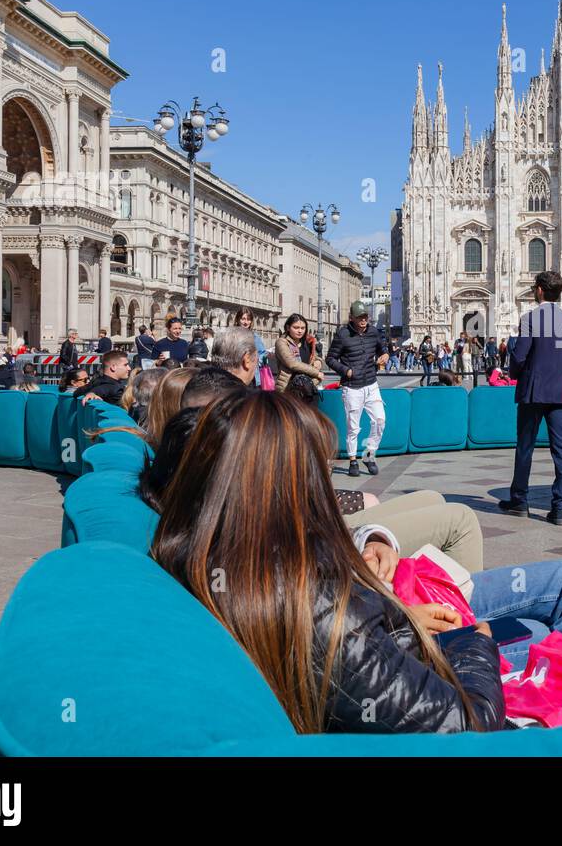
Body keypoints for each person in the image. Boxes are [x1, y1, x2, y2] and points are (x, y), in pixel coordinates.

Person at [148, 389, 505, 733]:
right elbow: (468, 725)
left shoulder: (207, 557)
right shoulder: (319, 603)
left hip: (398, 648)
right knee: (543, 614)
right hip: (462, 693)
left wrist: (403, 625)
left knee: (556, 587)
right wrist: (475, 646)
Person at [501, 271, 562, 525]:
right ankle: (559, 508)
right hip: (560, 391)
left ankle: (520, 501)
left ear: (540, 290)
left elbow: (520, 356)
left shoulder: (531, 320)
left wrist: (516, 373)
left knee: (525, 447)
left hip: (533, 392)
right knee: (561, 448)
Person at [326, 301, 389, 478]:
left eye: (365, 317)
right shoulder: (342, 334)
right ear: (352, 318)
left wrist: (384, 354)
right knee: (353, 427)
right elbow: (330, 358)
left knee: (380, 420)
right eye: (360, 317)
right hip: (352, 386)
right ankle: (353, 460)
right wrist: (346, 370)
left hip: (371, 383)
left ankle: (369, 455)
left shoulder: (374, 332)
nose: (363, 320)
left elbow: (383, 349)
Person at [275, 314, 324, 390]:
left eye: (303, 328)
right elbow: (292, 363)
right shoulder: (282, 342)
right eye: (296, 327)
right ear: (288, 328)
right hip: (288, 388)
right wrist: (316, 373)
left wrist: (319, 361)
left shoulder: (308, 342)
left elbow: (315, 357)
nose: (300, 331)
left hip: (307, 387)